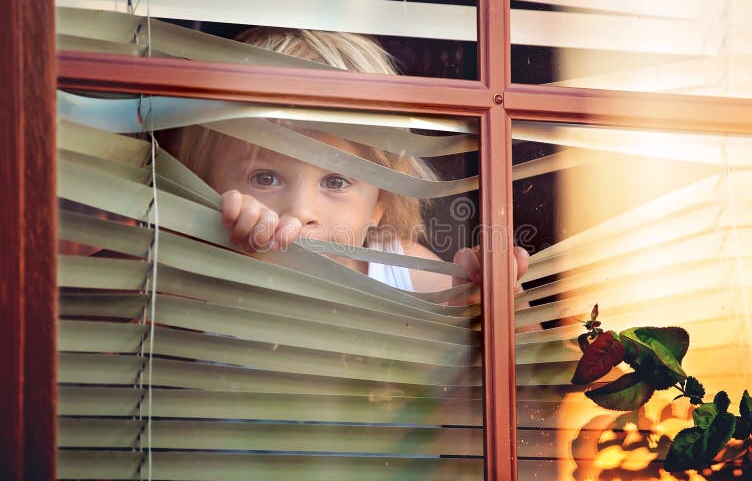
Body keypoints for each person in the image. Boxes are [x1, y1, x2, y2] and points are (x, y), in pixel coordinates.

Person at [169, 27, 528, 293]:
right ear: (205, 181)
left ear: (380, 202)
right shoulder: (203, 269)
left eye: (336, 181)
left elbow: (493, 364)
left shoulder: (400, 271)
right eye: (264, 178)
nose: (300, 212)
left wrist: (490, 299)